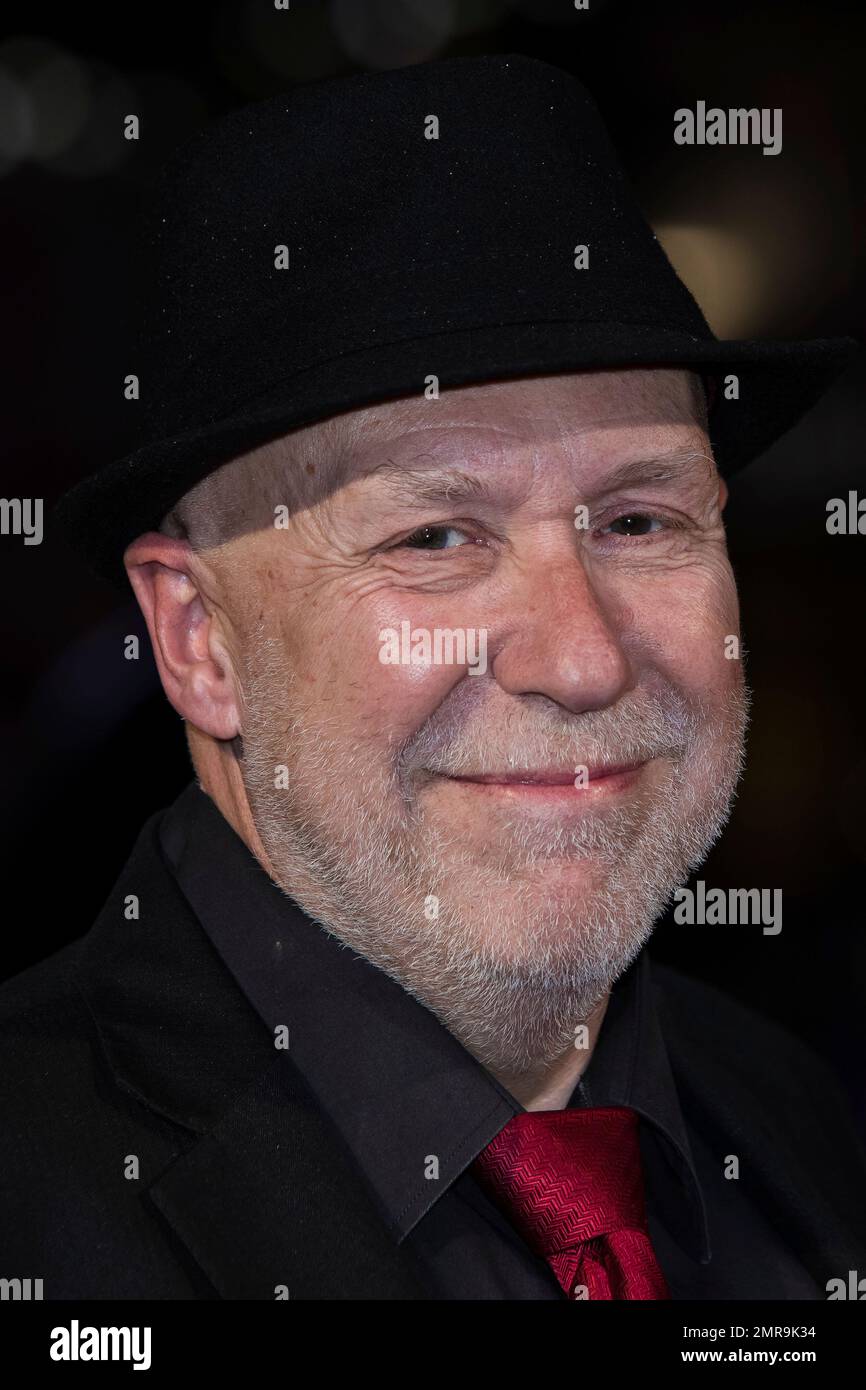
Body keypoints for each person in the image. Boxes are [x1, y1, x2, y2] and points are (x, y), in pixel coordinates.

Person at [2, 53, 863, 1300]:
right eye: (433, 538)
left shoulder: (797, 1127)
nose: (579, 656)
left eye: (637, 520)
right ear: (197, 638)